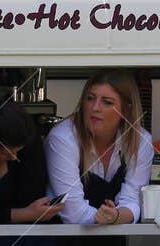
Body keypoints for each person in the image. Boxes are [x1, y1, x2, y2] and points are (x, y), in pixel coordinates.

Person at [44, 69, 154, 225]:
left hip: (119, 242)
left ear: (127, 109)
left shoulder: (141, 141)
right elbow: (73, 213)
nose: (95, 107)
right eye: (90, 98)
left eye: (107, 102)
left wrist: (116, 216)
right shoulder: (63, 138)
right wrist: (111, 219)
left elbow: (132, 200)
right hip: (64, 242)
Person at [0, 88, 62, 225]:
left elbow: (32, 195)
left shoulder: (29, 144)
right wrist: (25, 214)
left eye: (17, 151)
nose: (14, 157)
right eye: (6, 153)